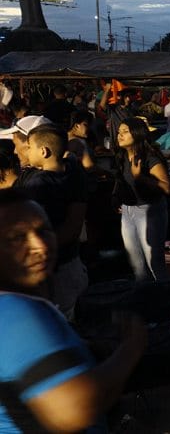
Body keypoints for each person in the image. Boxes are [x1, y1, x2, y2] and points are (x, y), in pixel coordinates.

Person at [0, 188, 147, 433]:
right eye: (16, 237)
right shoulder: (17, 313)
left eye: (43, 230)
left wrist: (83, 349)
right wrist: (133, 345)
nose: (39, 246)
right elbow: (77, 408)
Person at [17, 125, 89, 318]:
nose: (23, 151)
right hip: (74, 262)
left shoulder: (38, 184)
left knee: (60, 319)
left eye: (29, 147)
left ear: (43, 151)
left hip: (55, 269)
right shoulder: (74, 171)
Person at [114, 117, 170, 282]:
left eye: (125, 132)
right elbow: (120, 179)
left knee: (154, 262)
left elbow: (166, 187)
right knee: (136, 264)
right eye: (119, 132)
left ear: (137, 134)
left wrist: (141, 177)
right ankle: (145, 299)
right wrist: (116, 197)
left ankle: (165, 299)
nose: (120, 135)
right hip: (128, 211)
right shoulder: (122, 156)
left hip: (149, 211)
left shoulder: (150, 157)